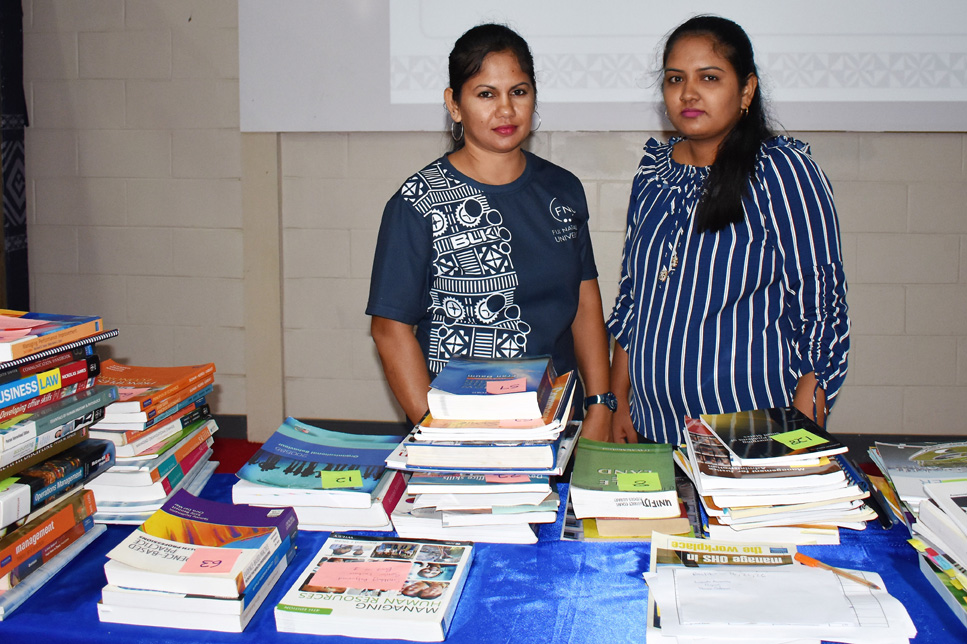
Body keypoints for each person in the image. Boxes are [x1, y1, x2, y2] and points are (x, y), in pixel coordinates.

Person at [608, 15, 849, 444]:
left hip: (752, 434)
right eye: (675, 78)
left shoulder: (782, 172)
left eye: (710, 77)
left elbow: (822, 308)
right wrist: (618, 402)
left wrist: (801, 432)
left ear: (746, 90)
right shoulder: (653, 174)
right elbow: (633, 299)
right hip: (650, 429)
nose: (688, 92)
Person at [367, 23, 614, 440]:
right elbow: (390, 331)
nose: (506, 110)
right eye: (486, 94)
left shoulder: (563, 188)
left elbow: (585, 302)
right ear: (454, 104)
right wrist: (439, 432)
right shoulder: (417, 202)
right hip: (460, 426)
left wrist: (600, 403)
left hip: (557, 418)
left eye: (519, 92)